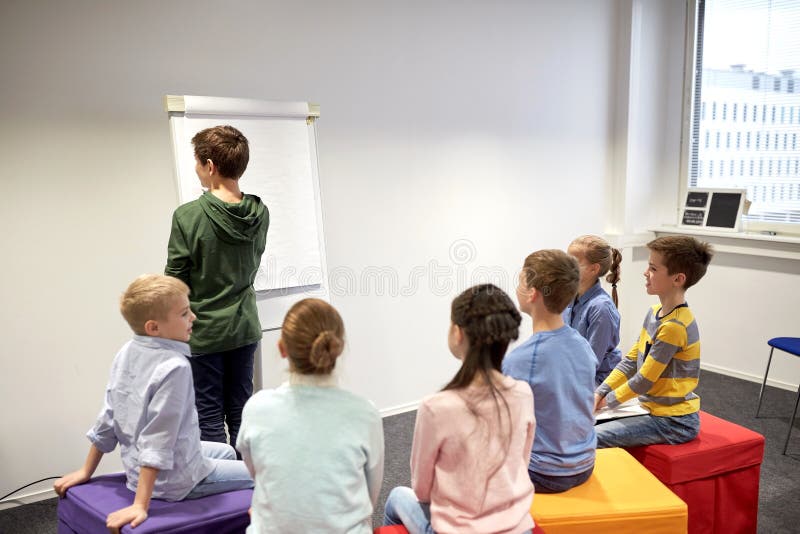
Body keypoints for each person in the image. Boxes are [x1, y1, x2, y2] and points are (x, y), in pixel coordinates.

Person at [53, 275, 253, 532]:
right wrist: (140, 505)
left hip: (138, 469)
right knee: (268, 473)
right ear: (153, 328)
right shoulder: (174, 367)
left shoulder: (126, 351)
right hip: (178, 482)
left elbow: (108, 418)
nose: (193, 317)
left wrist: (85, 470)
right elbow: (158, 440)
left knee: (225, 451)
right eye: (184, 313)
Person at [384, 284, 536, 534]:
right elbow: (521, 463)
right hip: (518, 527)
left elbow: (422, 490)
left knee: (396, 497)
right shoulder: (523, 393)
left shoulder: (436, 407)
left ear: (458, 333)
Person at [237, 298, 384, 534]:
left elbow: (258, 474)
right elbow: (369, 495)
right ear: (339, 346)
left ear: (282, 348)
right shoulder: (364, 413)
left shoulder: (256, 408)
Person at [165, 125, 269, 450]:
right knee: (241, 413)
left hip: (203, 332)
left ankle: (222, 494)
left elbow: (174, 282)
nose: (196, 168)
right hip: (244, 327)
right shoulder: (259, 213)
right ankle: (247, 490)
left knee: (208, 417)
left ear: (210, 166)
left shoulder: (187, 217)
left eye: (197, 162)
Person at [594, 236, 713, 448]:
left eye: (653, 268)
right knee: (583, 425)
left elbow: (643, 380)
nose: (645, 272)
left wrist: (606, 402)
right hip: (649, 407)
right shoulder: (655, 312)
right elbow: (630, 361)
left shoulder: (674, 327)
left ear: (678, 279)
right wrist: (600, 392)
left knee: (591, 437)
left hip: (673, 422)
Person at [503, 250, 597, 494]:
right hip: (585, 464)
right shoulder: (582, 344)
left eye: (520, 282)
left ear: (533, 294)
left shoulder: (521, 359)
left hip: (545, 474)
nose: (516, 288)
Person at [563, 235, 623, 385]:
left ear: (594, 269)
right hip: (572, 375)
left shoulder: (600, 308)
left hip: (596, 382)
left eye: (573, 262)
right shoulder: (568, 297)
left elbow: (590, 363)